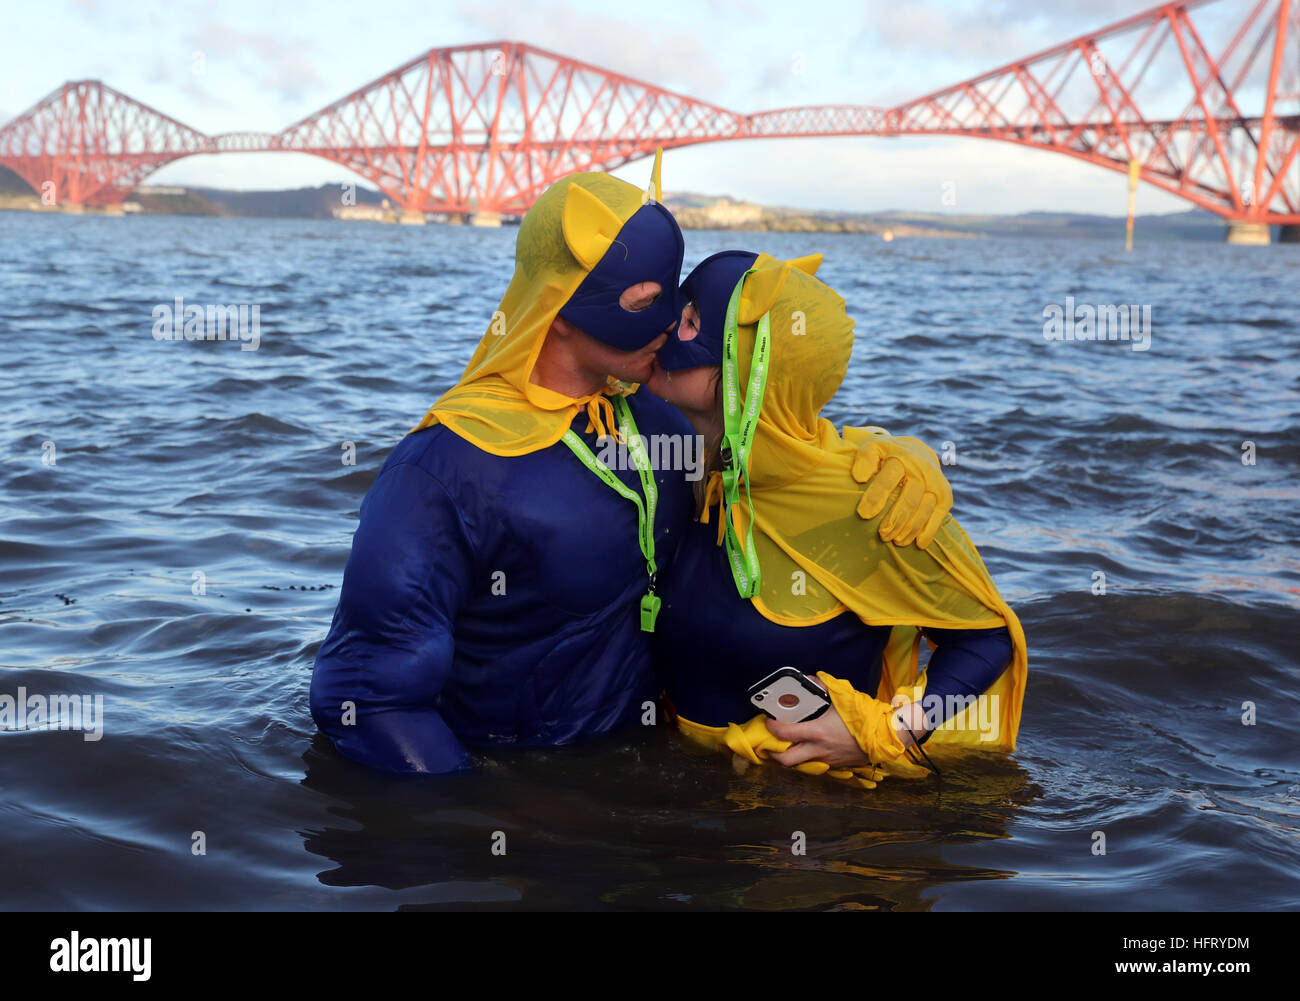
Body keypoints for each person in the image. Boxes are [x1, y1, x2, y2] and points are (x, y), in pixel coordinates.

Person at [309, 160, 952, 776]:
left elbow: (782, 458)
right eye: (647, 301)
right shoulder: (442, 471)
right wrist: (475, 835)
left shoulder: (659, 418)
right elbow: (370, 702)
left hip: (659, 776)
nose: (673, 322)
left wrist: (896, 455)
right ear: (558, 308)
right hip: (525, 794)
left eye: (677, 295)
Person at [646, 250, 1028, 787]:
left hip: (817, 821)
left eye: (691, 320)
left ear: (752, 364)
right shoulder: (680, 457)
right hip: (681, 799)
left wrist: (891, 732)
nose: (668, 328)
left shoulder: (873, 499)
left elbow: (986, 637)